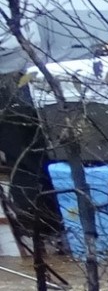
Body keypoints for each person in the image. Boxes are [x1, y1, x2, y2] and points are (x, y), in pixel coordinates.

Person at [0, 28, 68, 258]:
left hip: (18, 75)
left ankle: (39, 233)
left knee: (24, 161)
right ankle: (44, 232)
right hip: (14, 79)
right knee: (30, 160)